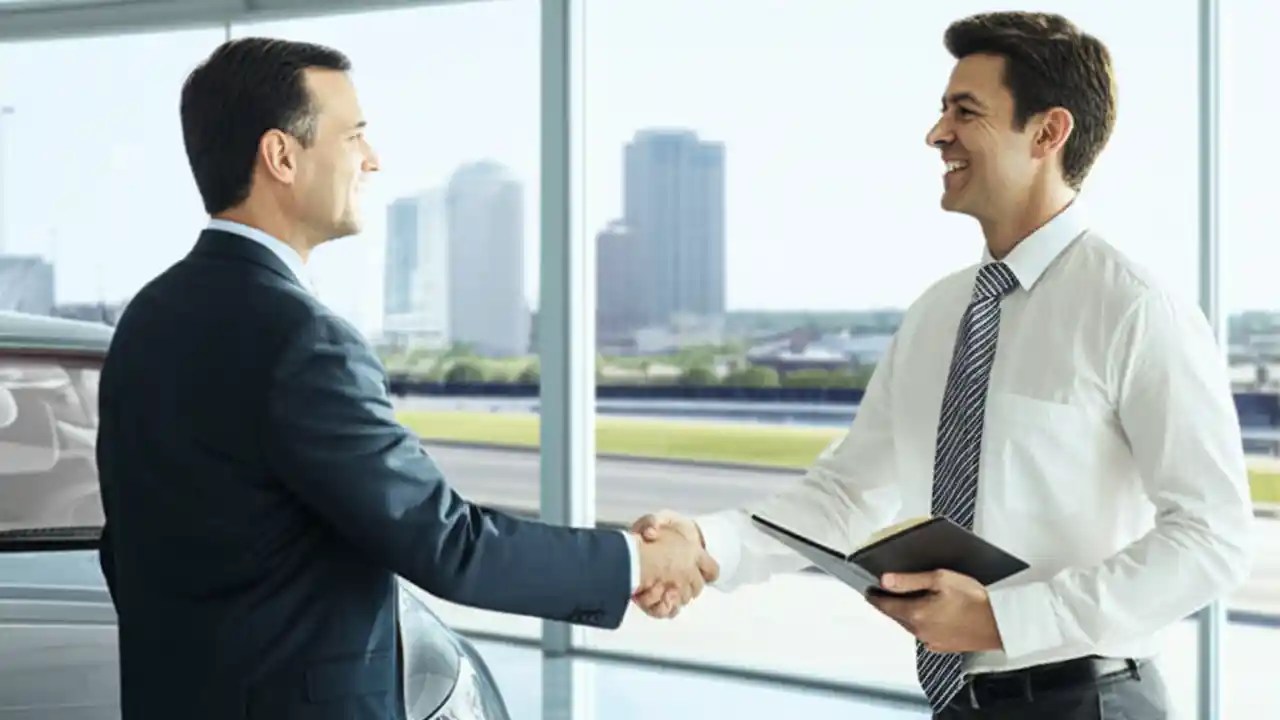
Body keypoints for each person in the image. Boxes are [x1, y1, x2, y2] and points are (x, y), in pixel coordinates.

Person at [631, 11, 1254, 719]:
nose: (936, 134)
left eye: (966, 112)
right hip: (961, 701)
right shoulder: (938, 313)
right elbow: (845, 495)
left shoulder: (1135, 309)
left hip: (1091, 703)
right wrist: (704, 541)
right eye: (942, 111)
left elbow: (1214, 537)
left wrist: (1005, 621)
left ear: (1048, 133)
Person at [95, 37, 716, 720]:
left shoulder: (146, 319)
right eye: (353, 136)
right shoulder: (302, 339)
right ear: (281, 156)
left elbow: (124, 550)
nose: (372, 159)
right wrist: (637, 562)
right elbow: (447, 543)